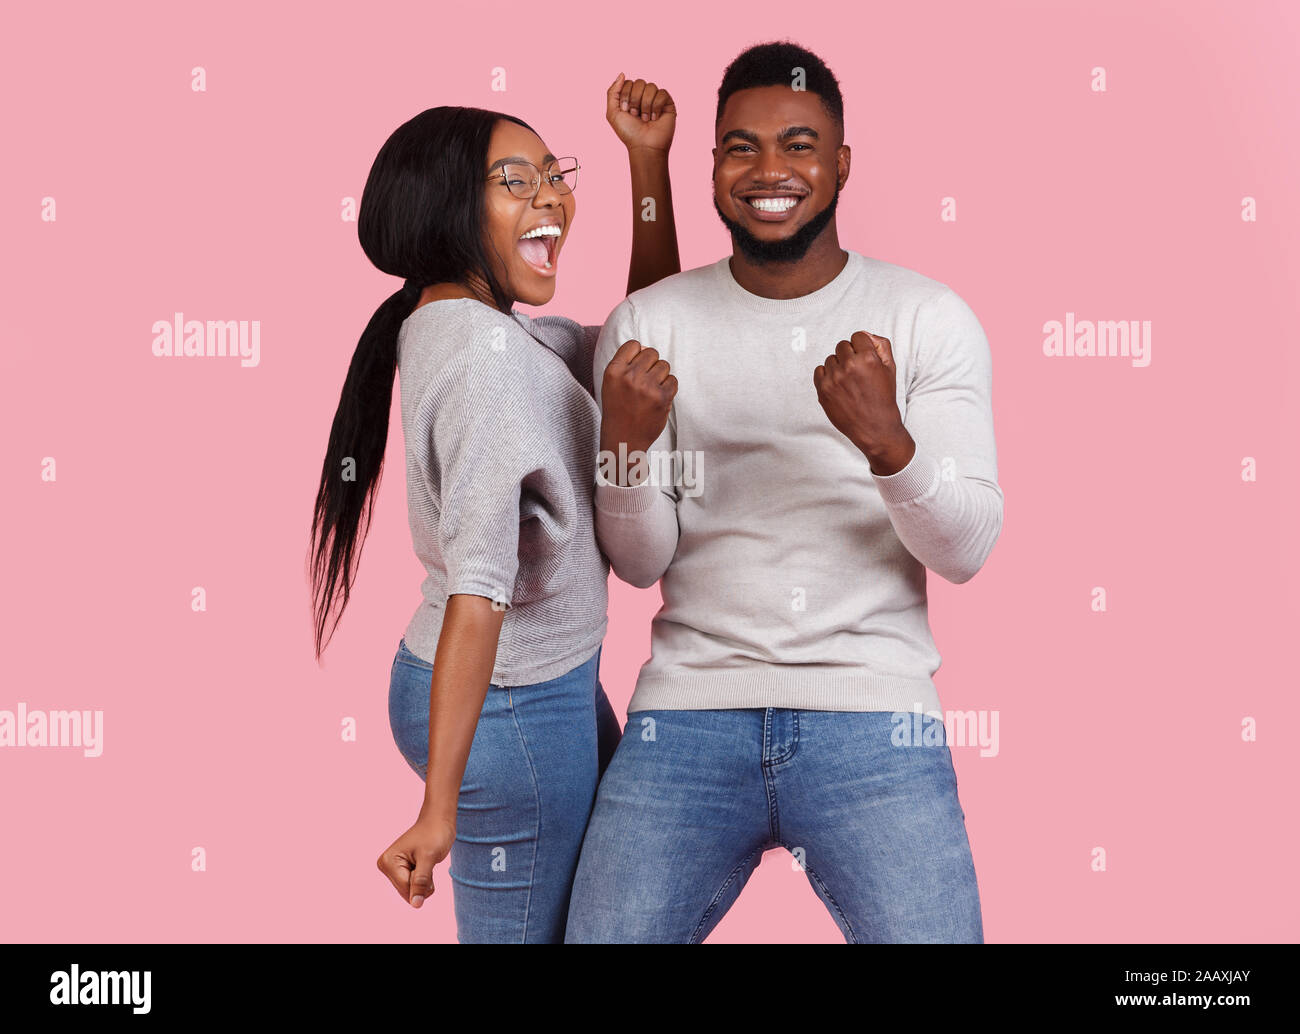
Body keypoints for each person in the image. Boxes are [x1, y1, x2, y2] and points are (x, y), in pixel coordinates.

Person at [565, 41, 1003, 943]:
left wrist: (888, 443)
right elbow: (644, 561)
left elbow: (968, 549)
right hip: (688, 713)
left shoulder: (928, 317)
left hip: (876, 714)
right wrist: (624, 451)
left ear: (841, 166)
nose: (770, 170)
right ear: (713, 166)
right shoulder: (652, 323)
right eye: (741, 148)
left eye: (799, 145)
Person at [306, 74, 680, 943]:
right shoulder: (484, 360)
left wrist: (646, 165)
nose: (553, 196)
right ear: (445, 208)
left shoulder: (477, 327)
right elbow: (481, 586)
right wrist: (437, 812)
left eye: (555, 174)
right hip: (505, 698)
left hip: (520, 682)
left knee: (622, 894)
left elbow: (642, 342)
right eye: (517, 180)